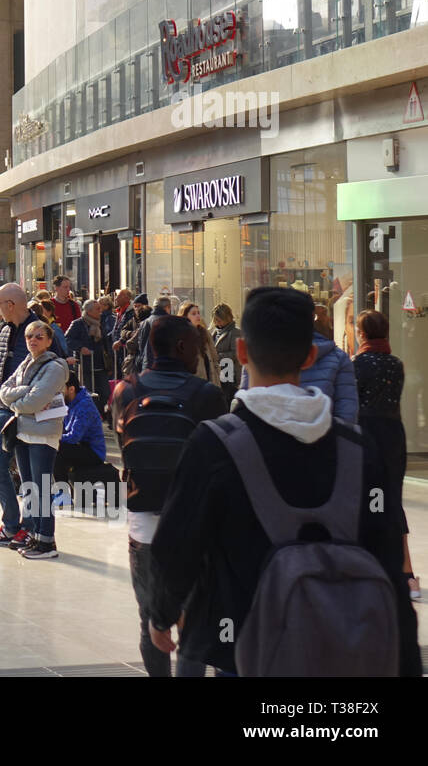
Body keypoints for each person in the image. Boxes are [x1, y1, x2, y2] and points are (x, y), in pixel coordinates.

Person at [147, 288, 420, 677]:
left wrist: (162, 615)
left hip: (244, 646)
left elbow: (176, 546)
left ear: (242, 353)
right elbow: (389, 560)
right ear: (310, 356)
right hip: (348, 648)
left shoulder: (214, 445)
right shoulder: (360, 449)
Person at [111, 315, 227, 676]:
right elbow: (220, 458)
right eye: (195, 345)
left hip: (144, 525)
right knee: (193, 620)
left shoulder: (125, 391)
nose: (199, 352)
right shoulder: (205, 394)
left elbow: (123, 447)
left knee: (150, 617)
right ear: (181, 347)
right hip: (195, 526)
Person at [0, 283, 66, 548]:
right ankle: (12, 524)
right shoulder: (3, 330)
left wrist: (25, 396)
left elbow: (54, 371)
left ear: (10, 304)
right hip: (5, 411)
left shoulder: (41, 330)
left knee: (34, 478)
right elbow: (3, 376)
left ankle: (33, 530)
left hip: (32, 417)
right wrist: (11, 396)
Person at [353, 309, 418, 601]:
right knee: (391, 499)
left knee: (367, 500)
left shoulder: (356, 364)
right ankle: (407, 572)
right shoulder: (396, 364)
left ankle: (371, 568)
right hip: (393, 435)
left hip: (366, 434)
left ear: (362, 334)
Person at [0, 320, 69, 559]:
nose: (33, 340)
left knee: (41, 488)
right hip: (23, 431)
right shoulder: (25, 363)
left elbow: (37, 400)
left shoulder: (56, 367)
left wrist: (19, 402)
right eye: (29, 336)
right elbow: (3, 391)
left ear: (49, 341)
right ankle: (35, 536)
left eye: (39, 336)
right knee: (29, 488)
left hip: (43, 434)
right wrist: (24, 394)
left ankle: (47, 541)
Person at [239, 312, 359, 425]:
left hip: (265, 440)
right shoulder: (338, 358)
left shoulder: (257, 354)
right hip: (323, 441)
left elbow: (245, 406)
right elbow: (346, 414)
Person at [53, 373, 113, 500]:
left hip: (93, 452)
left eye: (61, 388)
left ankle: (63, 494)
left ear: (71, 389)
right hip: (80, 447)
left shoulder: (84, 405)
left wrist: (53, 437)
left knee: (58, 448)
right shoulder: (70, 402)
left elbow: (74, 437)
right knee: (53, 447)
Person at [64, 299, 107, 395]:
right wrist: (80, 348)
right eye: (97, 309)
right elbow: (68, 339)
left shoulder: (101, 322)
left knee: (105, 392)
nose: (100, 312)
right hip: (85, 365)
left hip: (101, 363)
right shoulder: (78, 323)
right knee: (89, 393)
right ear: (89, 311)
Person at [176, 301, 217, 382]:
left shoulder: (204, 332)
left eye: (198, 313)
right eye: (193, 314)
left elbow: (214, 356)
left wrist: (217, 374)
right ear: (185, 316)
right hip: (192, 382)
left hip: (209, 379)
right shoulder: (180, 335)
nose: (198, 316)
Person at [209, 303, 242, 403]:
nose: (217, 323)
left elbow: (235, 354)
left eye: (219, 320)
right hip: (218, 373)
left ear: (227, 318)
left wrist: (216, 356)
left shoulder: (235, 332)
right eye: (215, 320)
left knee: (227, 401)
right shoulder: (215, 332)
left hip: (229, 375)